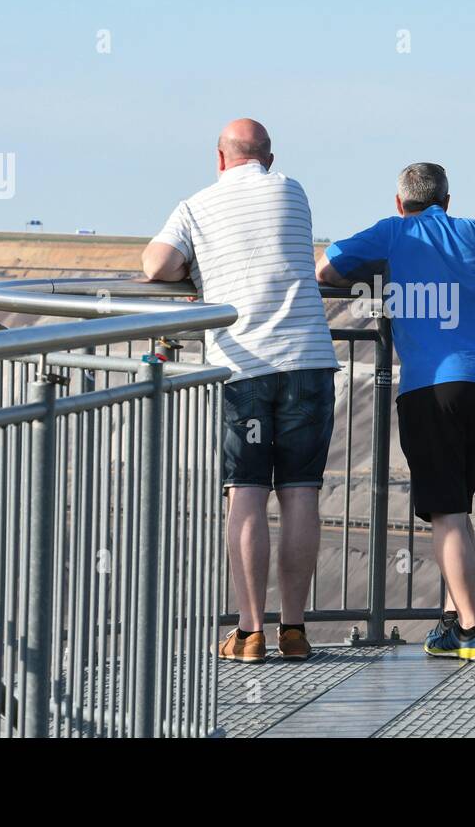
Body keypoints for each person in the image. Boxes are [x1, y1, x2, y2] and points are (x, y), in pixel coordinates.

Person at [143, 118, 339, 664]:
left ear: (220, 158)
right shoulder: (293, 191)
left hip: (242, 365)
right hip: (308, 361)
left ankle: (249, 633)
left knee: (246, 493)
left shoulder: (196, 205)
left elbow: (157, 265)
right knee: (301, 491)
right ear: (269, 159)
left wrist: (190, 266)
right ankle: (294, 631)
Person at [315, 162, 475, 661]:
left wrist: (383, 270)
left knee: (446, 508)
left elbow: (326, 269)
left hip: (432, 386)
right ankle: (453, 622)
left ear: (399, 202)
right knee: (457, 503)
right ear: (448, 201)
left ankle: (472, 630)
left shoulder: (393, 231)